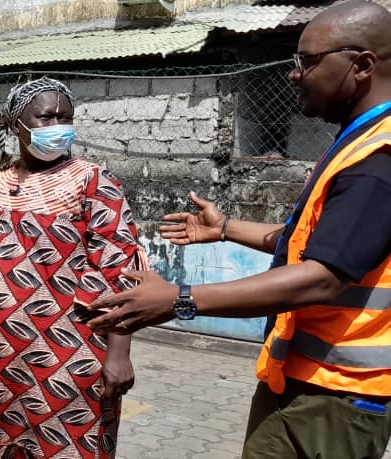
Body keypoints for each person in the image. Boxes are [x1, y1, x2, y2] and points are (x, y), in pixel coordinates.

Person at [86, 2, 391, 457]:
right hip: (308, 382)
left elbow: (322, 276)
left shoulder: (377, 161)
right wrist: (226, 228)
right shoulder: (357, 143)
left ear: (361, 65)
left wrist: (180, 299)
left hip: (334, 395)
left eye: (306, 61)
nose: (294, 74)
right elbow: (311, 242)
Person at [0, 78, 141, 457]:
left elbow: (121, 271)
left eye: (65, 117)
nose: (56, 127)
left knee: (68, 445)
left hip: (69, 356)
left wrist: (119, 353)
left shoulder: (92, 182)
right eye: (45, 117)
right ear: (18, 125)